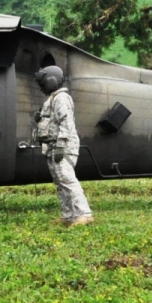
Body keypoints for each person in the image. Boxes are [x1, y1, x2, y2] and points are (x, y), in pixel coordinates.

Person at [33, 65, 94, 227]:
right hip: (52, 146)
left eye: (43, 82)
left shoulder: (61, 98)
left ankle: (84, 214)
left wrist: (60, 145)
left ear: (51, 81)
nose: (41, 86)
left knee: (67, 179)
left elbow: (66, 123)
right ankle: (68, 215)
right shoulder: (52, 99)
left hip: (63, 147)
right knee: (60, 182)